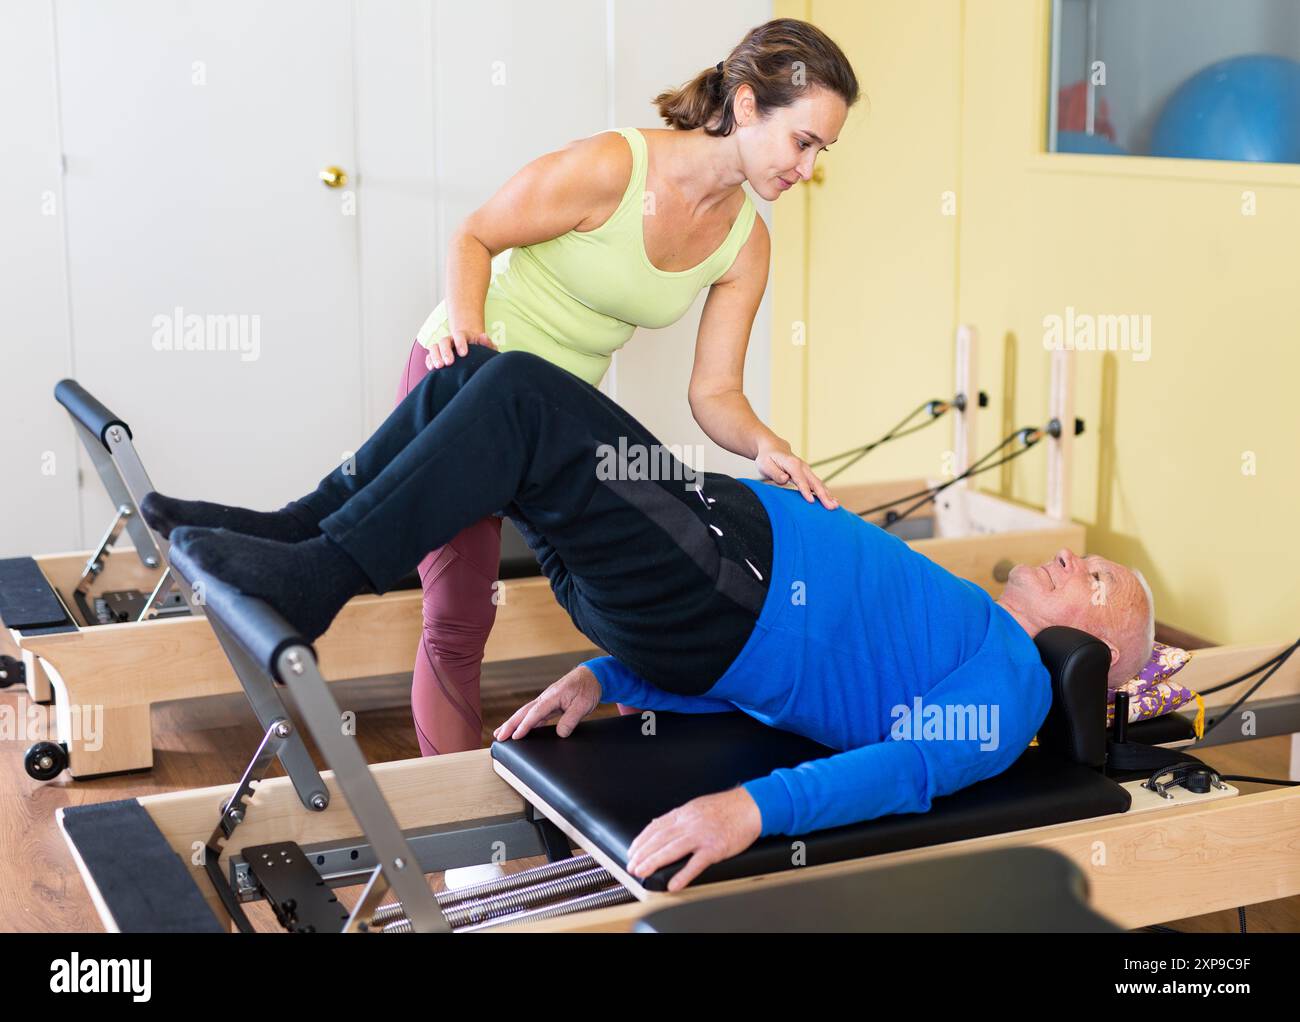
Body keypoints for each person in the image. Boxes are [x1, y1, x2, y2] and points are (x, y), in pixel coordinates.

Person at [147, 344, 1153, 891]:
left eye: (1097, 580)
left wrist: (748, 810)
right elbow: (782, 694)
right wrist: (607, 678)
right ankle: (296, 530)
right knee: (482, 376)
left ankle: (317, 574)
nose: (1077, 557)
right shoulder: (968, 621)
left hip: (713, 582)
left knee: (522, 401)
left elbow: (902, 770)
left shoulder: (1012, 683)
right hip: (694, 575)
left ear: (1090, 651)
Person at [392, 17, 859, 761]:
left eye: (821, 150)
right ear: (744, 106)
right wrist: (470, 344)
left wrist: (768, 445)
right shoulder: (616, 167)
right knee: (458, 616)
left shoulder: (747, 242)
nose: (807, 168)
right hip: (466, 376)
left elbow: (714, 392)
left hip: (554, 421)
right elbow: (474, 236)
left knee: (636, 572)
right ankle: (457, 860)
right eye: (803, 142)